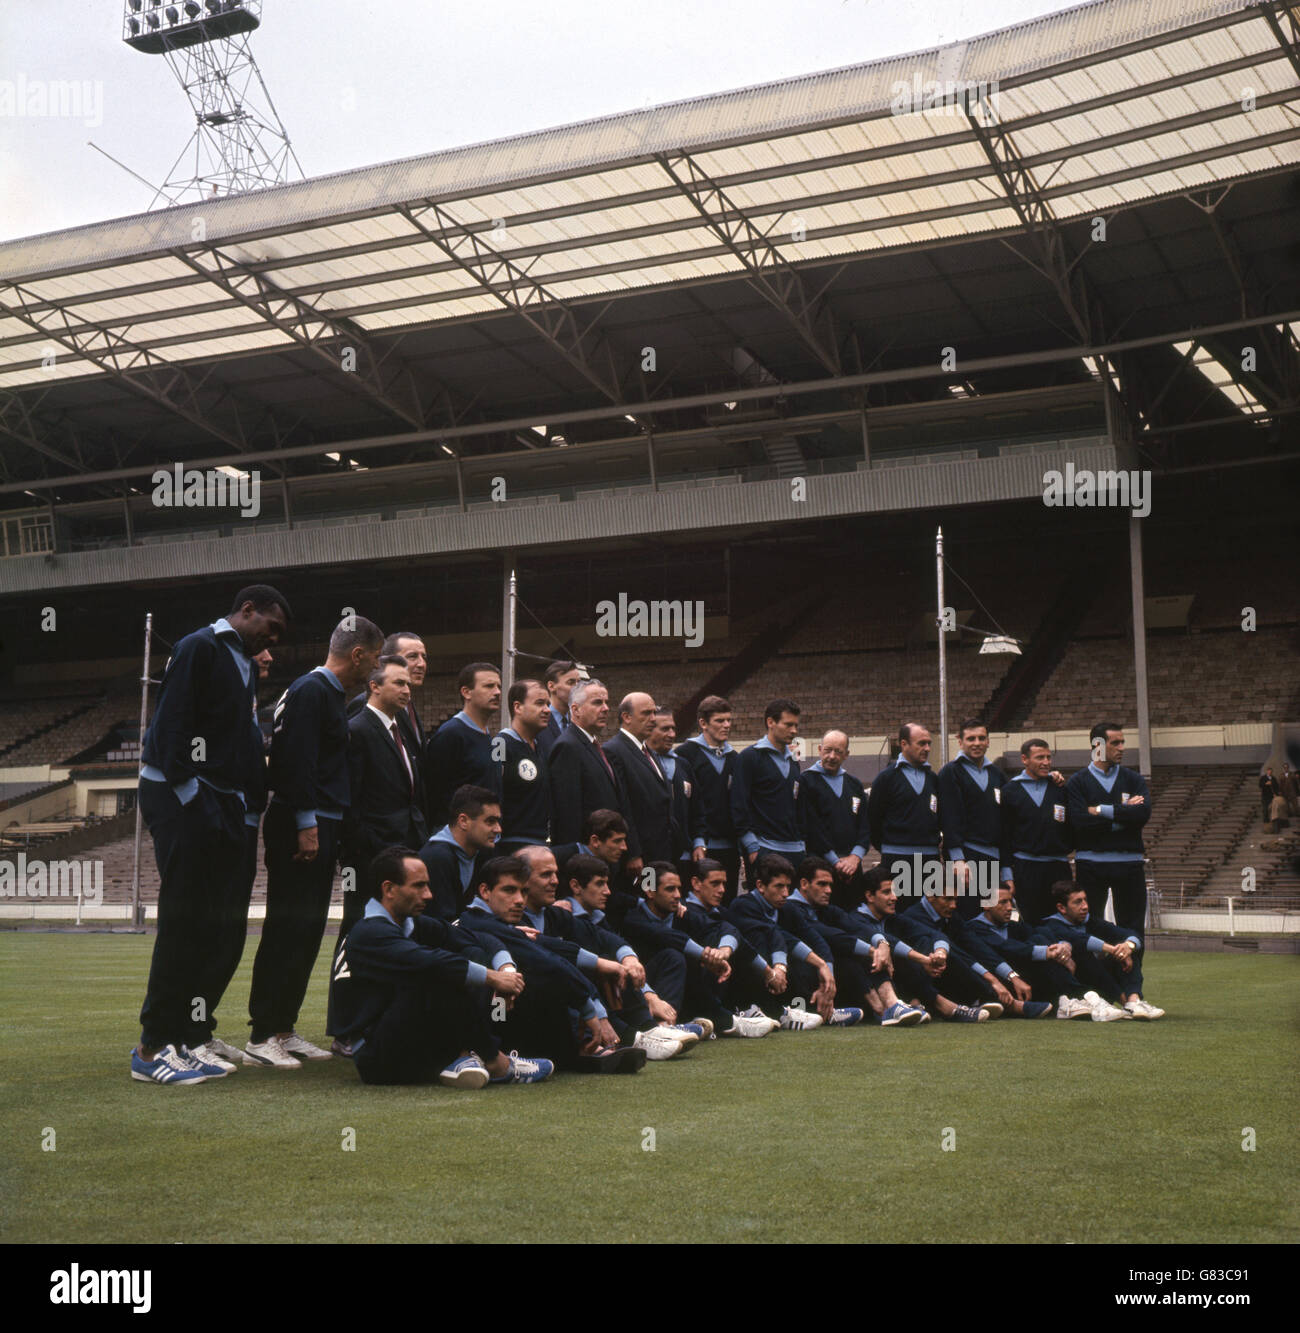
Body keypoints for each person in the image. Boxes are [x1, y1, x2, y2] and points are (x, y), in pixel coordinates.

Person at [131, 585, 290, 1085]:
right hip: (183, 797)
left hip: (216, 801)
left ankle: (184, 1036)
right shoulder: (200, 645)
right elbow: (169, 725)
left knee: (206, 928)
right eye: (271, 627)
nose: (273, 640)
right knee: (183, 922)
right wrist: (191, 793)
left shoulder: (241, 662)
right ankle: (151, 1048)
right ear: (247, 610)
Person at [246, 615, 384, 1069]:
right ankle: (262, 1032)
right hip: (302, 822)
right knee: (287, 928)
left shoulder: (323, 693)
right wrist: (307, 823)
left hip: (320, 820)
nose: (377, 669)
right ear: (358, 655)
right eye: (376, 658)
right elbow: (293, 761)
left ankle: (283, 1028)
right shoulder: (313, 691)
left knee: (306, 931)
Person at [329, 848, 552, 1087]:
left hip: (404, 1035)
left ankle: (462, 1058)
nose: (429, 895)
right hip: (376, 1058)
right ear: (389, 889)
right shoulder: (370, 932)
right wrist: (492, 978)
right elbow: (431, 963)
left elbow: (474, 937)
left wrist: (506, 970)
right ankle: (496, 1063)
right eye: (419, 886)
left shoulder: (410, 923)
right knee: (441, 971)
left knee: (470, 956)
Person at [458, 856, 646, 1073]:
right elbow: (544, 961)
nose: (519, 900)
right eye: (509, 891)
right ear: (485, 891)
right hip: (485, 1020)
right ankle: (496, 1056)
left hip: (500, 1018)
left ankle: (596, 1044)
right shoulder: (475, 921)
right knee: (529, 979)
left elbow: (549, 949)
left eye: (523, 892)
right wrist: (590, 1008)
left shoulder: (520, 921)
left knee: (579, 969)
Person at [622, 861, 780, 1038]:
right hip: (642, 993)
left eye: (678, 889)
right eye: (670, 889)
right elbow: (669, 937)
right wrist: (705, 956)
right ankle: (709, 1021)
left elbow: (727, 928)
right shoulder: (633, 920)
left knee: (721, 941)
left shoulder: (680, 913)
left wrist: (722, 953)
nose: (677, 895)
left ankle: (733, 1014)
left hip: (678, 994)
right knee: (675, 955)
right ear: (650, 891)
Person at [338, 656, 428, 943]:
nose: (407, 690)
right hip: (371, 857)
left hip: (402, 847)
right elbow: (349, 801)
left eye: (409, 684)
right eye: (399, 683)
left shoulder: (397, 731)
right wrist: (370, 848)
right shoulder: (357, 730)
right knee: (358, 929)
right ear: (374, 686)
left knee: (397, 933)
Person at [784, 857, 924, 1024]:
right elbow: (829, 936)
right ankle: (882, 1009)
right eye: (822, 884)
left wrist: (881, 943)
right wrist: (873, 951)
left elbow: (856, 926)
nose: (829, 890)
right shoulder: (789, 907)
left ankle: (891, 1006)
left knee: (865, 956)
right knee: (854, 956)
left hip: (828, 970)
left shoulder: (825, 908)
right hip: (800, 974)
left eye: (830, 885)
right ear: (804, 884)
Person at [854, 865, 988, 1024]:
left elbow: (935, 934)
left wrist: (939, 953)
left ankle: (921, 1002)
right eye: (886, 892)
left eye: (895, 891)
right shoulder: (854, 918)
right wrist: (924, 960)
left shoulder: (893, 919)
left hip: (899, 982)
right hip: (864, 987)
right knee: (888, 953)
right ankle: (943, 1005)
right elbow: (888, 941)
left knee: (926, 943)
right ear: (869, 896)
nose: (894, 897)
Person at [722, 853, 839, 1029]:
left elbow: (815, 939)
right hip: (740, 977)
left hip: (775, 975)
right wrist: (780, 967)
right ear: (760, 885)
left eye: (787, 887)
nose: (785, 893)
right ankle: (757, 1009)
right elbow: (775, 933)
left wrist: (826, 971)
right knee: (760, 938)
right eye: (779, 886)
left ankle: (819, 1010)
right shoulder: (742, 905)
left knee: (807, 959)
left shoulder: (787, 907)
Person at [1065, 723, 1151, 942]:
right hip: (977, 860)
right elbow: (1080, 823)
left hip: (1129, 862)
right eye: (1116, 743)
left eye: (1123, 742)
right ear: (1098, 745)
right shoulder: (1077, 782)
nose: (1122, 748)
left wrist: (1101, 811)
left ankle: (1130, 976)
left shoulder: (1133, 779)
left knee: (1132, 926)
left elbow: (1141, 815)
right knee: (1089, 924)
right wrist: (1123, 816)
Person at [1035, 882, 1165, 1021]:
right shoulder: (1050, 925)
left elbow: (1132, 934)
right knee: (1084, 953)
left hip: (1099, 983)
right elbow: (1079, 940)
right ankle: (1125, 1003)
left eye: (1085, 900)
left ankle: (1133, 1001)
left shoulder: (1090, 921)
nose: (1085, 906)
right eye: (1078, 902)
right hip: (1077, 989)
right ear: (1062, 908)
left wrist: (1128, 946)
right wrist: (1114, 949)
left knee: (1129, 951)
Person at [547, 678, 639, 866]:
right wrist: (578, 860)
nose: (605, 708)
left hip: (605, 856)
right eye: (597, 702)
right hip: (586, 861)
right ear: (576, 709)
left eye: (606, 702)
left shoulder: (594, 746)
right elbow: (567, 813)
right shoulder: (568, 746)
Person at [964, 884, 1090, 1017]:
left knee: (1040, 937)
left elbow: (1038, 934)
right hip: (1001, 984)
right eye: (1003, 902)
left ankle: (1074, 999)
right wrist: (1048, 952)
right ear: (986, 905)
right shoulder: (973, 928)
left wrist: (1063, 948)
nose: (1009, 908)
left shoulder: (1012, 926)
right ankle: (1076, 996)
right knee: (1038, 947)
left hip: (1024, 984)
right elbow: (1006, 948)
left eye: (1011, 902)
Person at [867, 723, 941, 910]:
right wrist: (891, 848)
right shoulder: (886, 778)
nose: (927, 748)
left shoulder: (934, 779)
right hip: (897, 859)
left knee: (931, 914)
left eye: (929, 743)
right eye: (921, 743)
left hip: (930, 860)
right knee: (899, 914)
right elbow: (873, 820)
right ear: (904, 744)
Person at [936, 718, 1005, 920]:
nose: (977, 743)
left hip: (992, 857)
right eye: (971, 738)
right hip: (965, 857)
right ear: (960, 741)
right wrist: (958, 859)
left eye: (981, 738)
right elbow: (948, 817)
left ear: (988, 741)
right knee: (965, 916)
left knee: (990, 918)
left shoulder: (997, 775)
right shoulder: (950, 772)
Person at [999, 738, 1072, 926]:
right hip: (1026, 867)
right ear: (1024, 759)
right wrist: (1007, 874)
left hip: (1058, 868)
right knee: (1031, 922)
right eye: (1040, 757)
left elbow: (1071, 827)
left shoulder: (1060, 788)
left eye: (1048, 757)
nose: (1046, 762)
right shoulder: (1010, 790)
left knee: (1063, 922)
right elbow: (1003, 836)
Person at [674, 695, 741, 899]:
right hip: (699, 848)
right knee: (697, 902)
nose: (726, 725)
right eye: (720, 721)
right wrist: (697, 841)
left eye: (729, 720)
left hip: (729, 849)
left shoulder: (735, 758)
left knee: (726, 899)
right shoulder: (685, 754)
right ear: (703, 723)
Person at [731, 699, 805, 878]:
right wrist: (752, 847)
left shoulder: (794, 761)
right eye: (788, 724)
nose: (794, 730)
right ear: (770, 722)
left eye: (796, 725)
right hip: (764, 850)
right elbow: (738, 805)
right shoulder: (749, 757)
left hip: (795, 850)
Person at [797, 731, 870, 910]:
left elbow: (865, 825)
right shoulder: (806, 781)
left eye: (838, 752)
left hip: (853, 869)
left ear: (847, 754)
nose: (832, 756)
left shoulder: (854, 784)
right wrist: (836, 862)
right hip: (821, 866)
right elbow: (811, 826)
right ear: (820, 750)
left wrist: (855, 857)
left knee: (854, 916)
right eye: (828, 750)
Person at [425, 662, 502, 825]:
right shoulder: (450, 734)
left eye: (498, 686)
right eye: (489, 686)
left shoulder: (492, 739)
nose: (497, 692)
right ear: (466, 692)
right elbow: (435, 795)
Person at [603, 692, 674, 864]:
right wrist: (634, 852)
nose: (653, 719)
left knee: (656, 890)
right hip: (642, 855)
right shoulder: (614, 751)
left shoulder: (646, 750)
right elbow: (623, 805)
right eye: (646, 713)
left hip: (662, 850)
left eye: (654, 713)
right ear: (626, 717)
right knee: (646, 889)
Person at [418, 785, 503, 921]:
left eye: (498, 821)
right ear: (463, 821)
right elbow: (443, 923)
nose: (498, 829)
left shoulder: (483, 853)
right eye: (490, 821)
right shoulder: (436, 858)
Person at [495, 679, 552, 855]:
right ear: (518, 707)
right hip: (511, 846)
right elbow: (491, 791)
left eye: (548, 704)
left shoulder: (540, 747)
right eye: (540, 703)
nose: (547, 710)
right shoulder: (500, 744)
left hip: (540, 843)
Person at [646, 706, 703, 871]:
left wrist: (699, 843)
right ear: (648, 730)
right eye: (665, 729)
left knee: (679, 896)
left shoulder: (683, 765)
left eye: (673, 729)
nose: (672, 734)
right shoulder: (639, 764)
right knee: (648, 893)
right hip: (649, 861)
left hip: (684, 858)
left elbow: (697, 810)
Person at [537, 659, 582, 758]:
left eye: (578, 683)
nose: (577, 687)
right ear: (551, 686)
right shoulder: (537, 725)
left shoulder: (579, 724)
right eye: (571, 682)